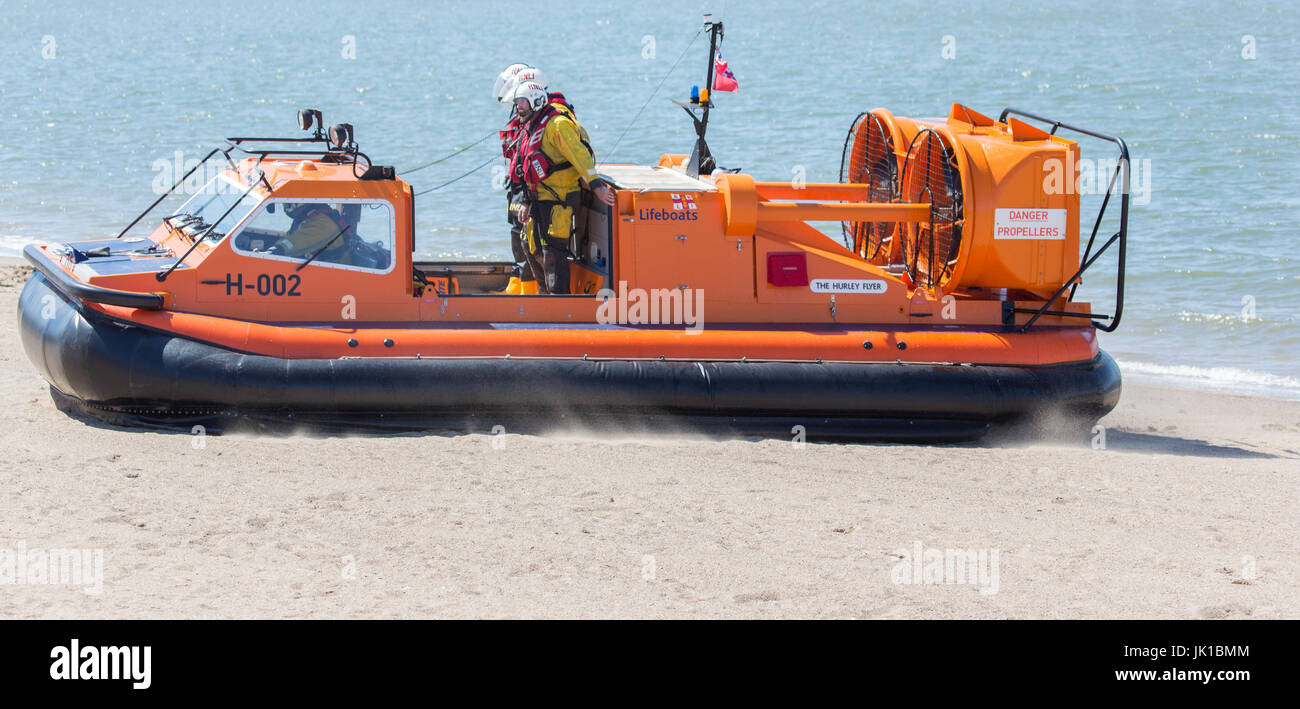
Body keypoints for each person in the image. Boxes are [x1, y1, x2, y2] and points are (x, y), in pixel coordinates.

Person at [510, 81, 615, 294]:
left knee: (553, 254)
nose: (518, 106)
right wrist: (526, 202)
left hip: (560, 199)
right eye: (517, 102)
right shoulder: (531, 125)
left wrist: (597, 188)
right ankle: (544, 297)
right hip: (538, 199)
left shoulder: (557, 125)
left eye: (522, 101)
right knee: (529, 246)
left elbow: (581, 157)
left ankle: (561, 304)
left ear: (536, 101)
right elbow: (530, 167)